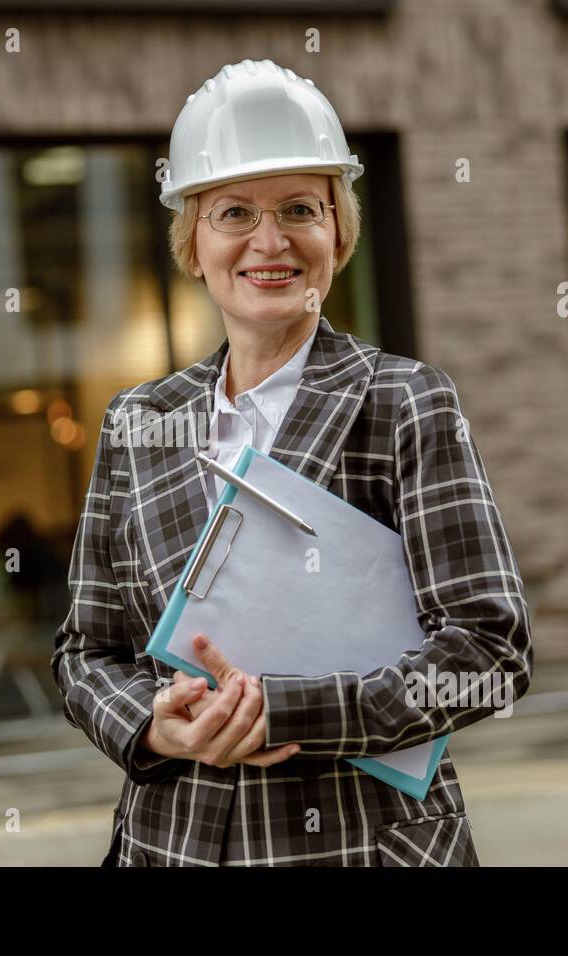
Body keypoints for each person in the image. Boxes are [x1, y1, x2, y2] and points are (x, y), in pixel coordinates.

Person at [52, 58, 532, 867]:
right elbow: (83, 653)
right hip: (170, 844)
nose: (269, 242)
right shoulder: (140, 422)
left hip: (362, 845)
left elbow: (489, 655)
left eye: (300, 210)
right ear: (193, 244)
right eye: (234, 212)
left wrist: (289, 712)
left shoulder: (406, 402)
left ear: (338, 235)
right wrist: (152, 724)